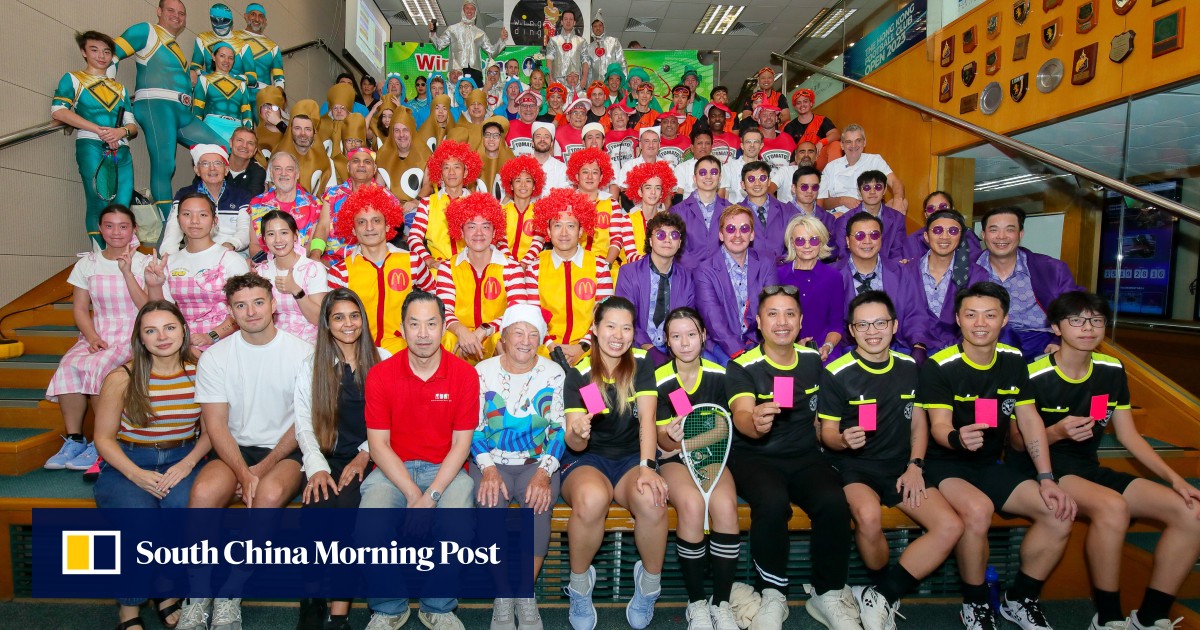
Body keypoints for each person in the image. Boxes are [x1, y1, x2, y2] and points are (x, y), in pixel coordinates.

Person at [1014, 292, 1200, 630]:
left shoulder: (1111, 370)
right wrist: (1056, 431)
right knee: (1113, 507)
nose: (1088, 328)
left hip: (1087, 467)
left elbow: (1129, 436)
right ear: (1056, 328)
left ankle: (1150, 617)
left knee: (1191, 512)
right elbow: (1013, 441)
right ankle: (1109, 617)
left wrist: (1175, 479)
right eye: (1077, 320)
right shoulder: (1033, 373)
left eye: (1096, 320)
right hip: (1042, 470)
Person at [920, 281, 1078, 630]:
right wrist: (957, 438)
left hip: (990, 465)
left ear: (1004, 319)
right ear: (958, 319)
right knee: (978, 510)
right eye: (971, 314)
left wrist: (1046, 478)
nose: (980, 322)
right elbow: (938, 426)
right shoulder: (939, 365)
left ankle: (1021, 598)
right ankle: (975, 604)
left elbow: (1029, 419)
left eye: (990, 315)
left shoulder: (1013, 361)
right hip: (946, 463)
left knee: (1059, 512)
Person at [819, 291, 965, 630]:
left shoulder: (911, 369)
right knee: (868, 516)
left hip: (901, 467)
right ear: (852, 330)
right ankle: (882, 586)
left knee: (951, 526)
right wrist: (841, 439)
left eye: (881, 322)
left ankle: (881, 594)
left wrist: (916, 465)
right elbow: (825, 432)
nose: (873, 330)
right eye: (863, 324)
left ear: (895, 326)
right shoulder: (837, 372)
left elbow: (918, 422)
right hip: (853, 466)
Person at [178, 273, 311, 629]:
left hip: (285, 453)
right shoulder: (216, 357)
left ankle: (230, 594)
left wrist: (258, 471)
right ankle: (198, 595)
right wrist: (241, 471)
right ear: (231, 312)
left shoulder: (303, 353)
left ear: (273, 304)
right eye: (241, 305)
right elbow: (216, 425)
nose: (250, 312)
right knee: (204, 492)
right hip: (232, 449)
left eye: (257, 302)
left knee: (266, 495)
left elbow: (302, 424)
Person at [725, 285, 859, 630]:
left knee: (833, 501)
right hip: (755, 456)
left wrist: (836, 439)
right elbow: (742, 414)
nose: (781, 322)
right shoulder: (742, 365)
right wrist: (755, 423)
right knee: (771, 502)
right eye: (772, 314)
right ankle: (773, 594)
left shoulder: (814, 361)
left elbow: (818, 419)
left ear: (800, 322)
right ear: (758, 322)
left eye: (789, 314)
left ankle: (827, 593)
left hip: (803, 456)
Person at [360, 291, 478, 630]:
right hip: (392, 469)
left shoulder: (464, 375)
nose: (423, 333)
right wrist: (414, 496)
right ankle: (389, 607)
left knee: (456, 524)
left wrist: (432, 496)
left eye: (431, 324)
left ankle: (438, 606)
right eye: (415, 324)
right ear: (402, 328)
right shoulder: (382, 374)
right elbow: (379, 445)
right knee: (370, 529)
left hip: (446, 470)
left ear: (444, 328)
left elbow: (461, 445)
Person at [92, 300, 207, 630]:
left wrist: (187, 464)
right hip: (128, 463)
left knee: (182, 511)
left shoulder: (201, 370)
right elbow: (103, 439)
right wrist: (137, 474)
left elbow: (215, 430)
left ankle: (166, 587)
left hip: (183, 458)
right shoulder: (122, 376)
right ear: (140, 338)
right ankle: (128, 610)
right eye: (151, 330)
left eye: (170, 327)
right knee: (138, 524)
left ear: (184, 331)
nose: (162, 336)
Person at [561, 297, 668, 630]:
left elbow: (648, 423)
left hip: (629, 459)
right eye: (610, 326)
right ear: (594, 329)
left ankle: (649, 584)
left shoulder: (642, 363)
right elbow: (574, 441)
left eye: (626, 327)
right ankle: (580, 585)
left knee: (653, 499)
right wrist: (579, 431)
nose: (618, 335)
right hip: (586, 459)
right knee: (591, 500)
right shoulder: (579, 372)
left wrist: (648, 466)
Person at [293, 289, 388, 630]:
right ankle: (311, 598)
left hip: (370, 457)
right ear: (327, 324)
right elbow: (302, 423)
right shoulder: (311, 364)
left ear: (362, 319)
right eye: (338, 317)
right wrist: (316, 468)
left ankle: (338, 613)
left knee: (348, 515)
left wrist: (365, 455)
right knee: (315, 511)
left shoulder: (384, 359)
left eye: (353, 315)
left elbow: (391, 423)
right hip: (324, 457)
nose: (348, 324)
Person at [471, 304, 566, 630]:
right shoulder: (482, 371)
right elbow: (474, 427)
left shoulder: (554, 373)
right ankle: (502, 596)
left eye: (533, 334)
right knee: (489, 503)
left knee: (537, 506)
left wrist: (544, 472)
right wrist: (488, 470)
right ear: (504, 337)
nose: (525, 341)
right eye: (518, 333)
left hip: (536, 463)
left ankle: (525, 593)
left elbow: (558, 428)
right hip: (491, 461)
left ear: (540, 339)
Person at [649, 308, 741, 630]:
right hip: (675, 460)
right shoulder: (659, 379)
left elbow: (724, 431)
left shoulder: (721, 374)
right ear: (667, 341)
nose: (685, 343)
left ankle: (723, 603)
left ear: (703, 335)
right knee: (691, 504)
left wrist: (693, 437)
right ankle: (698, 603)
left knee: (726, 507)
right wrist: (673, 439)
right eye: (676, 336)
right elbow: (662, 444)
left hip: (714, 456)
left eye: (691, 334)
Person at [45, 206, 151, 473]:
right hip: (98, 331)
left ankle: (101, 442)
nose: (116, 232)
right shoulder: (87, 263)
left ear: (134, 229)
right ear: (101, 229)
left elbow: (147, 306)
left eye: (123, 226)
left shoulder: (144, 263)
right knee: (68, 365)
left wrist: (127, 272)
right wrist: (91, 337)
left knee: (97, 366)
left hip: (132, 332)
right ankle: (75, 439)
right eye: (109, 225)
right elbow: (80, 308)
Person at [110, 0, 228, 222]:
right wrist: (110, 101)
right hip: (157, 105)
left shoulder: (175, 47)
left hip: (182, 112)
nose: (177, 16)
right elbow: (110, 55)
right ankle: (170, 225)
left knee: (222, 147)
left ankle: (204, 204)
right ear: (159, 11)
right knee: (165, 164)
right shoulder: (146, 31)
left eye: (181, 13)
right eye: (171, 11)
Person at [52, 30, 138, 248]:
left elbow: (132, 125)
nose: (101, 55)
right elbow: (59, 111)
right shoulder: (73, 78)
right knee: (98, 202)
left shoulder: (120, 88)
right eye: (94, 49)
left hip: (121, 149)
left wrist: (120, 132)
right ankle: (99, 255)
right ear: (83, 52)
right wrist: (100, 130)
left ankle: (120, 255)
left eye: (106, 51)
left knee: (122, 204)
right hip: (91, 145)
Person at [328, 185, 435, 354]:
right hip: (359, 354)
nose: (369, 228)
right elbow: (334, 323)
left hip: (405, 354)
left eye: (376, 220)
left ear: (387, 225)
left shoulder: (412, 261)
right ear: (353, 229)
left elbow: (434, 298)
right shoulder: (339, 273)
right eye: (361, 222)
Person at [968, 206, 1083, 360]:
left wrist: (1061, 341)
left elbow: (1074, 309)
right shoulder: (968, 271)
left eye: (1010, 230)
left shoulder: (1052, 268)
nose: (1001, 236)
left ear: (1020, 234)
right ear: (983, 235)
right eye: (993, 230)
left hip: (1042, 340)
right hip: (989, 339)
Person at [435, 192, 532, 363]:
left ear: (495, 232)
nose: (479, 233)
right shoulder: (447, 267)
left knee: (505, 339)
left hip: (495, 339)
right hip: (459, 340)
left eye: (486, 226)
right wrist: (461, 331)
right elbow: (443, 311)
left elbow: (517, 312)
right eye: (471, 226)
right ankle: (447, 388)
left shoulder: (511, 267)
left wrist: (485, 329)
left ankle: (505, 387)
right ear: (461, 231)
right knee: (444, 338)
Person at [146, 194, 248, 355]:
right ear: (178, 220)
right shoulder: (170, 262)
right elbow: (161, 312)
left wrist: (211, 336)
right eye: (187, 214)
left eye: (203, 215)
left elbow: (245, 309)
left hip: (226, 340)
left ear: (215, 221)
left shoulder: (230, 260)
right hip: (182, 341)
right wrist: (153, 284)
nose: (194, 221)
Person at [529, 188, 614, 366]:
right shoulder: (534, 267)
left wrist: (582, 347)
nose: (564, 233)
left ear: (581, 230)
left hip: (589, 352)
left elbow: (605, 315)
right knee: (544, 393)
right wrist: (552, 346)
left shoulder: (599, 266)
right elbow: (532, 315)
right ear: (548, 231)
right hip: (545, 350)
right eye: (558, 225)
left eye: (571, 225)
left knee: (590, 394)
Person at [837, 212, 932, 361]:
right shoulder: (833, 274)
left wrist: (918, 345)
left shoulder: (902, 273)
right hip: (848, 351)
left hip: (896, 349)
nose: (867, 241)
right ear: (848, 241)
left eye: (874, 235)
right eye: (860, 235)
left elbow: (916, 313)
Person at [694, 205, 780, 365]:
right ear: (721, 235)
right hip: (722, 345)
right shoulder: (704, 271)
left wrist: (757, 348)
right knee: (737, 378)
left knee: (780, 378)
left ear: (752, 234)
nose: (738, 235)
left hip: (759, 341)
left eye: (745, 228)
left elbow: (771, 310)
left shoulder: (766, 262)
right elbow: (714, 321)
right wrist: (741, 354)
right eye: (731, 229)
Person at [615, 213, 694, 363]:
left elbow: (687, 319)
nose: (667, 240)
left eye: (674, 235)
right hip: (636, 347)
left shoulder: (687, 278)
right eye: (660, 234)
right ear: (650, 241)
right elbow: (626, 319)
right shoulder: (628, 273)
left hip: (675, 349)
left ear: (679, 242)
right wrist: (648, 348)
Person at [904, 210, 974, 353]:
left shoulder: (974, 274)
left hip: (958, 351)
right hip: (912, 348)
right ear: (926, 236)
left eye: (953, 231)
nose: (944, 236)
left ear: (961, 237)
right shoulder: (905, 271)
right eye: (937, 230)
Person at [162, 144, 252, 255]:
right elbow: (173, 229)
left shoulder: (241, 195)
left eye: (217, 163)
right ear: (197, 170)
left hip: (234, 251)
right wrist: (169, 257)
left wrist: (231, 244)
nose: (212, 168)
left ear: (226, 169)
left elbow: (245, 229)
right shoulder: (184, 195)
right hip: (197, 252)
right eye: (205, 164)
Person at [776, 215, 844, 362]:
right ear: (792, 244)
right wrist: (792, 347)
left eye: (813, 240)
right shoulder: (778, 275)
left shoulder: (833, 277)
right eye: (800, 240)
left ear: (821, 242)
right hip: (784, 352)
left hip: (824, 354)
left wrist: (827, 347)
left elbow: (836, 325)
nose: (807, 246)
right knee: (781, 384)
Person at [253, 211, 328, 343]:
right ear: (264, 239)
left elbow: (318, 319)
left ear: (295, 235)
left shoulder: (313, 268)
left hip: (309, 340)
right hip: (274, 339)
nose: (278, 240)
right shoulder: (261, 273)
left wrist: (296, 290)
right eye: (271, 234)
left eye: (284, 232)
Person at [408, 140, 483, 267]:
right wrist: (429, 261)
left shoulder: (478, 203)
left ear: (465, 172)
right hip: (438, 270)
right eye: (446, 167)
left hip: (471, 269)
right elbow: (414, 238)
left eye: (457, 167)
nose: (451, 172)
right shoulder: (427, 203)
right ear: (440, 173)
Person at [247, 151, 323, 261]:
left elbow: (311, 246)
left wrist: (288, 265)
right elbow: (254, 244)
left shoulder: (315, 205)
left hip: (300, 266)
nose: (283, 174)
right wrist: (270, 267)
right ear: (271, 174)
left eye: (289, 169)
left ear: (297, 174)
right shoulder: (257, 204)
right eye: (278, 169)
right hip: (266, 266)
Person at [319, 144, 386, 266]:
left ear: (375, 169)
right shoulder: (332, 194)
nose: (361, 165)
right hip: (332, 261)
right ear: (348, 167)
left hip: (370, 260)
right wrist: (315, 255)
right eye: (356, 161)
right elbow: (322, 227)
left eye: (367, 162)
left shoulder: (385, 196)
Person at [818, 125, 907, 215]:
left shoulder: (875, 160)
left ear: (864, 143)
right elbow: (823, 203)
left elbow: (895, 182)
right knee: (837, 216)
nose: (854, 145)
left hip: (871, 212)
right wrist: (842, 200)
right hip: (841, 213)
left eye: (858, 141)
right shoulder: (831, 167)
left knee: (903, 202)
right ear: (842, 145)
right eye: (849, 142)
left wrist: (898, 199)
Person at [829, 170, 907, 263]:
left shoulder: (897, 218)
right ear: (859, 191)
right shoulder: (844, 221)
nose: (872, 192)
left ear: (885, 190)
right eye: (866, 188)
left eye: (878, 187)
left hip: (888, 270)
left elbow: (897, 252)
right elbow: (843, 254)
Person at [568, 147, 624, 266]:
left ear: (601, 177)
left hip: (606, 264)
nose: (590, 177)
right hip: (573, 264)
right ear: (577, 177)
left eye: (595, 172)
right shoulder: (567, 203)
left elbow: (616, 239)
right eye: (585, 172)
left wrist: (605, 266)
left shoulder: (612, 204)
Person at [428, 1, 507, 86]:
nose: (470, 11)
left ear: (475, 12)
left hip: (475, 72)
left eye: (472, 8)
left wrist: (501, 40)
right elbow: (439, 45)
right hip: (457, 71)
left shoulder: (480, 33)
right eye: (467, 8)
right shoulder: (452, 29)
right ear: (463, 10)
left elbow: (492, 52)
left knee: (476, 98)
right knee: (456, 97)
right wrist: (433, 32)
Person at [191, 42, 253, 143]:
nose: (226, 61)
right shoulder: (203, 80)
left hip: (237, 130)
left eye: (230, 58)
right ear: (213, 57)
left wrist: (248, 134)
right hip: (211, 128)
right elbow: (197, 110)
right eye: (222, 56)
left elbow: (247, 113)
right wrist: (197, 133)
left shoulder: (241, 84)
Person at [674, 156, 730, 267]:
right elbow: (675, 248)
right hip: (688, 276)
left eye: (714, 172)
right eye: (703, 172)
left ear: (720, 178)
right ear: (694, 178)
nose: (708, 177)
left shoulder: (731, 210)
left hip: (723, 275)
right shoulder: (677, 211)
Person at [619, 160, 678, 263]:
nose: (653, 192)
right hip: (633, 274)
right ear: (640, 192)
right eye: (648, 187)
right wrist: (657, 261)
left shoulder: (668, 220)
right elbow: (631, 256)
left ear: (662, 194)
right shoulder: (627, 220)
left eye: (658, 188)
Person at [738, 160, 795, 262]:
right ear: (743, 184)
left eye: (762, 178)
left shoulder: (788, 211)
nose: (757, 183)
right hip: (748, 272)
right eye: (751, 179)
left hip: (782, 270)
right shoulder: (735, 213)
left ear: (769, 181)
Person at [901, 191, 981, 261]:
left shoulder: (967, 235)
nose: (937, 211)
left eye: (943, 206)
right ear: (925, 215)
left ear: (952, 209)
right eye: (931, 208)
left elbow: (975, 267)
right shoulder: (913, 240)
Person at [274, 106, 336, 197]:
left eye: (308, 129)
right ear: (290, 130)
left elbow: (330, 196)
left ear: (314, 132)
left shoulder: (327, 162)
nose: (303, 134)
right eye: (297, 128)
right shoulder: (277, 157)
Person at [498, 155, 546, 264]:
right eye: (518, 180)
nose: (523, 185)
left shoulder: (540, 213)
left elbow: (538, 243)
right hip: (504, 265)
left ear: (534, 186)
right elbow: (500, 242)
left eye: (528, 181)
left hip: (531, 267)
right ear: (510, 186)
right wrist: (512, 265)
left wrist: (524, 264)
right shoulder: (501, 211)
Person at [190, 4, 254, 83]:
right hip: (210, 90)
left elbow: (252, 78)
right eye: (216, 21)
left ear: (231, 21)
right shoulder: (203, 39)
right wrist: (208, 76)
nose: (220, 25)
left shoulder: (243, 46)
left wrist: (230, 77)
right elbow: (194, 68)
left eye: (224, 20)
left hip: (236, 92)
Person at [237, 2, 285, 105]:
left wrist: (277, 96)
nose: (257, 19)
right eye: (253, 14)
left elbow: (279, 79)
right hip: (237, 91)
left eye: (261, 16)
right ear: (245, 16)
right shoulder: (233, 38)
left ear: (265, 21)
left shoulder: (273, 47)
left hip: (263, 96)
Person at [783, 88, 841, 169]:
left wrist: (822, 142)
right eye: (798, 103)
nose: (802, 105)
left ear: (811, 103)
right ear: (795, 107)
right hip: (800, 163)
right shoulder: (789, 126)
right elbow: (788, 151)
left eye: (805, 101)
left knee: (835, 144)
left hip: (818, 160)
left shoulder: (822, 120)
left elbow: (836, 134)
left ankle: (835, 175)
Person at [779, 165, 835, 233]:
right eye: (804, 187)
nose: (809, 191)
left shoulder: (828, 219)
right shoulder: (780, 215)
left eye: (814, 187)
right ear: (794, 188)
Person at [719, 128, 765, 204]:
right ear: (742, 145)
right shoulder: (729, 167)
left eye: (756, 142)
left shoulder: (766, 169)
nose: (752, 145)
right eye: (748, 142)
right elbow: (724, 197)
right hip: (734, 212)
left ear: (761, 145)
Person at [223, 127, 267, 196]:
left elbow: (251, 201)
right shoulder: (218, 165)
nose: (244, 146)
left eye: (250, 143)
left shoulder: (258, 172)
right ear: (231, 143)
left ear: (255, 150)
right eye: (240, 140)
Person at [547, 10, 588, 84]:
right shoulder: (553, 40)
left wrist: (584, 79)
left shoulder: (582, 41)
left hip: (576, 83)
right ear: (562, 22)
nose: (568, 21)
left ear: (574, 22)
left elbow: (585, 61)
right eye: (566, 19)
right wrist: (550, 78)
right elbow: (549, 60)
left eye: (571, 19)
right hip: (557, 82)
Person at [586, 12, 625, 84]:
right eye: (595, 26)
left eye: (600, 25)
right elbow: (589, 71)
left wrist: (624, 84)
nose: (598, 28)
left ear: (604, 27)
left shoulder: (614, 42)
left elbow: (622, 63)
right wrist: (589, 87)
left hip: (613, 85)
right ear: (592, 29)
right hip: (597, 87)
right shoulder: (589, 48)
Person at [531, 122, 572, 191]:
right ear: (532, 142)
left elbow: (564, 195)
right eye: (538, 136)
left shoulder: (561, 168)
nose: (542, 140)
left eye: (546, 137)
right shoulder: (521, 165)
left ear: (552, 143)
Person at [673, 129, 713, 198]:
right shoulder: (682, 168)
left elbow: (721, 195)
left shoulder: (719, 167)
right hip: (687, 207)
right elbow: (678, 196)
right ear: (692, 148)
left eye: (707, 143)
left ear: (711, 148)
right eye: (699, 143)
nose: (703, 146)